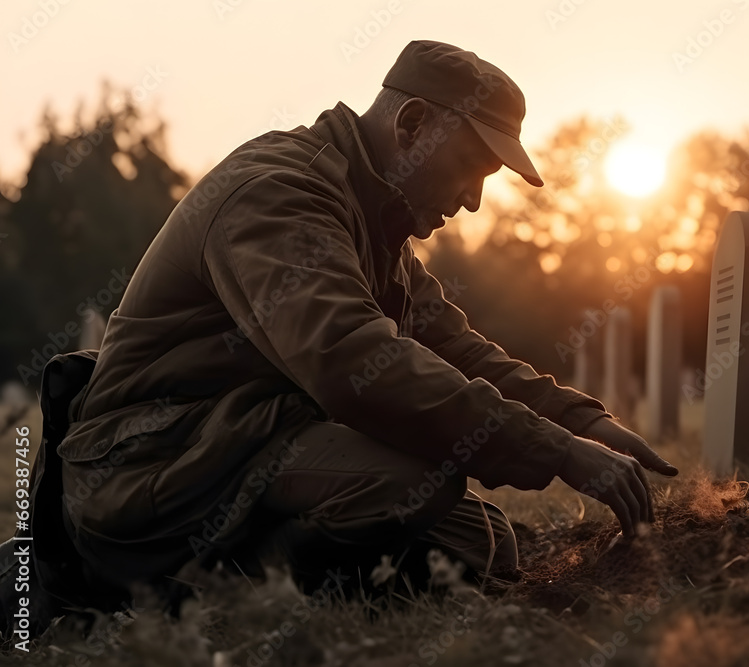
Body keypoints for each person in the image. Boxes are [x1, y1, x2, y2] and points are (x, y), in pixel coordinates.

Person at [49, 39, 679, 602]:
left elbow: (456, 348)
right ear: (413, 123)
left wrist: (581, 422)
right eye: (470, 166)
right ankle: (181, 594)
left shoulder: (374, 220)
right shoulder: (280, 194)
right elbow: (351, 362)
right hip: (151, 464)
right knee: (413, 485)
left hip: (236, 444)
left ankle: (250, 571)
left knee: (479, 540)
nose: (473, 200)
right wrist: (557, 451)